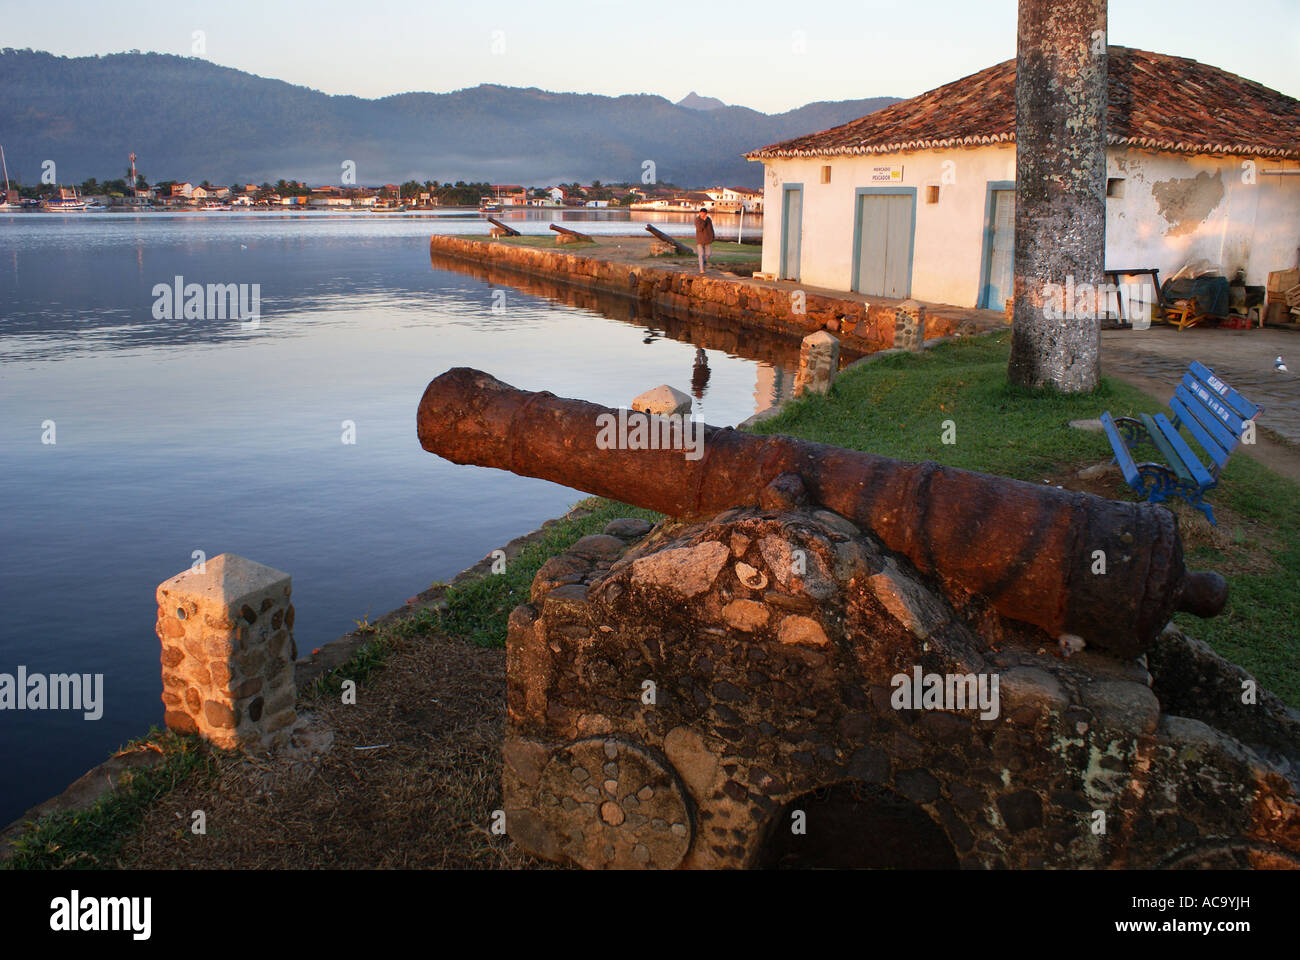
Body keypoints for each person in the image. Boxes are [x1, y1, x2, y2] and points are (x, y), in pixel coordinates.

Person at [694, 206, 715, 274]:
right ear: (700, 213)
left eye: (704, 213)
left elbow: (711, 229)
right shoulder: (697, 220)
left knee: (708, 254)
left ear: (706, 213)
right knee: (701, 254)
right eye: (701, 213)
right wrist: (703, 220)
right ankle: (701, 269)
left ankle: (703, 263)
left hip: (707, 239)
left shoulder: (708, 219)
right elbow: (700, 228)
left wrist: (712, 237)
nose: (703, 214)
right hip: (700, 240)